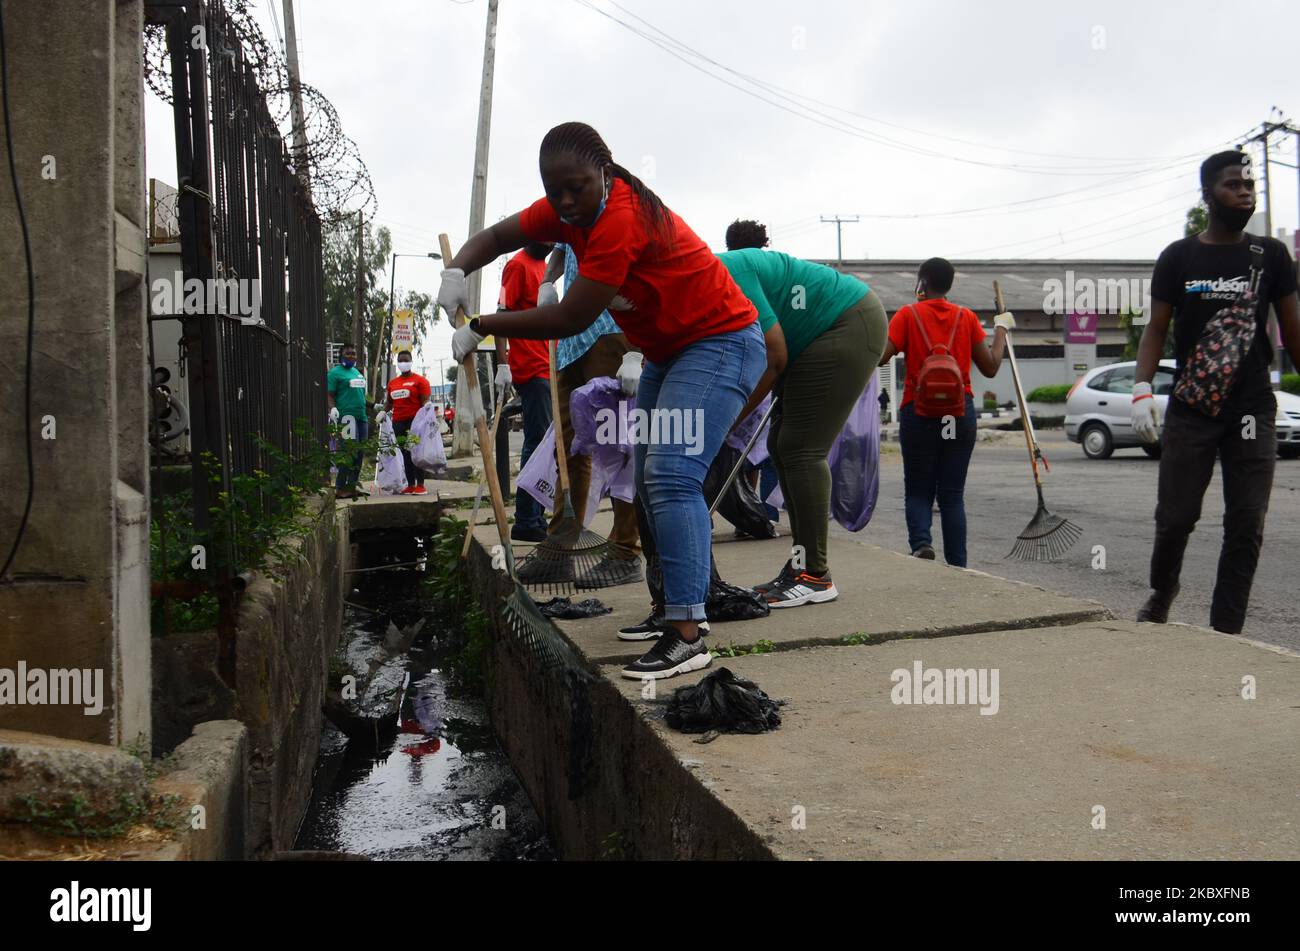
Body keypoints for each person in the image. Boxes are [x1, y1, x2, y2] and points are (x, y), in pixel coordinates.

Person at [438, 121, 762, 680]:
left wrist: (483, 325)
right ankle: (669, 608)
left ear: (605, 174)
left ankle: (687, 632)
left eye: (577, 187)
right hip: (666, 350)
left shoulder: (620, 218)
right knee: (647, 476)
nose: (565, 201)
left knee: (673, 476)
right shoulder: (564, 210)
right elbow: (496, 236)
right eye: (554, 189)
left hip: (720, 342)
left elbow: (572, 316)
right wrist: (456, 269)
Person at [1132, 150, 1300, 635]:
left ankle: (1226, 631)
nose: (1245, 192)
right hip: (1192, 409)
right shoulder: (1179, 257)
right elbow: (1156, 329)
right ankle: (1162, 591)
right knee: (1176, 518)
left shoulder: (1271, 256)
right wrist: (1142, 389)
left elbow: (1293, 330)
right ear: (1208, 194)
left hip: (1250, 410)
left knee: (1247, 522)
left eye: (1250, 185)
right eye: (1233, 185)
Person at [717, 247, 889, 607]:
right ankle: (800, 566)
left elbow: (773, 357)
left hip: (845, 323)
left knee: (800, 448)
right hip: (814, 335)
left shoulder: (727, 272)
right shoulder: (705, 282)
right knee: (781, 446)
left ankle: (815, 575)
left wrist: (726, 420)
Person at [518, 241, 645, 585]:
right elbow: (560, 249)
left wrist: (635, 350)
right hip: (570, 339)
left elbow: (640, 267)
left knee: (619, 449)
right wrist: (548, 280)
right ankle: (558, 549)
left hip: (611, 331)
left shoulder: (617, 201)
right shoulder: (567, 206)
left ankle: (624, 552)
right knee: (569, 448)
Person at [877, 258, 1013, 567]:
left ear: (922, 284)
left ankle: (922, 544)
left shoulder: (907, 315)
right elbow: (990, 367)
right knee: (952, 495)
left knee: (918, 489)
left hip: (919, 412)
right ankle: (958, 565)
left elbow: (880, 358)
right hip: (958, 413)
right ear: (949, 285)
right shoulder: (966, 317)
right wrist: (1001, 329)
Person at [496, 242, 556, 541]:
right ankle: (526, 519)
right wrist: (501, 363)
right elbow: (502, 314)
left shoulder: (545, 268)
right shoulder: (517, 266)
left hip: (548, 365)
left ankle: (535, 515)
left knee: (545, 443)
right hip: (530, 367)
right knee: (537, 442)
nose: (550, 242)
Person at [381, 350, 432, 495]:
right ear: (398, 363)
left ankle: (420, 485)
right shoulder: (393, 383)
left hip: (415, 423)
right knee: (405, 453)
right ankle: (410, 484)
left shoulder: (420, 381)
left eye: (406, 360)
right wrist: (383, 412)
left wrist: (427, 406)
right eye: (400, 360)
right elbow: (389, 402)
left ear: (411, 361)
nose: (403, 363)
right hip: (398, 422)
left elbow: (425, 399)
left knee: (415, 452)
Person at [327, 343, 368, 500]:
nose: (351, 356)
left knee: (359, 452)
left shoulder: (357, 373)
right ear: (341, 355)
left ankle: (352, 486)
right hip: (346, 417)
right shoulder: (334, 373)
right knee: (348, 452)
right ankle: (340, 487)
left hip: (361, 417)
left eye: (354, 354)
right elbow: (329, 394)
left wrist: (374, 406)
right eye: (348, 353)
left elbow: (360, 395)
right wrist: (333, 409)